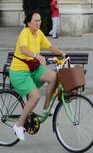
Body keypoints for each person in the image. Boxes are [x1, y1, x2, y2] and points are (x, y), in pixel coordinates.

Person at [9, 10, 62, 142]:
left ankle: (46, 109)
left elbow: (50, 47)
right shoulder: (25, 33)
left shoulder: (38, 33)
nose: (38, 23)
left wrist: (63, 54)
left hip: (33, 69)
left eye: (40, 20)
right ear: (29, 22)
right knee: (35, 96)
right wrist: (36, 55)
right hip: (19, 72)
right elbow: (23, 49)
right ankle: (18, 125)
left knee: (54, 77)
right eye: (36, 21)